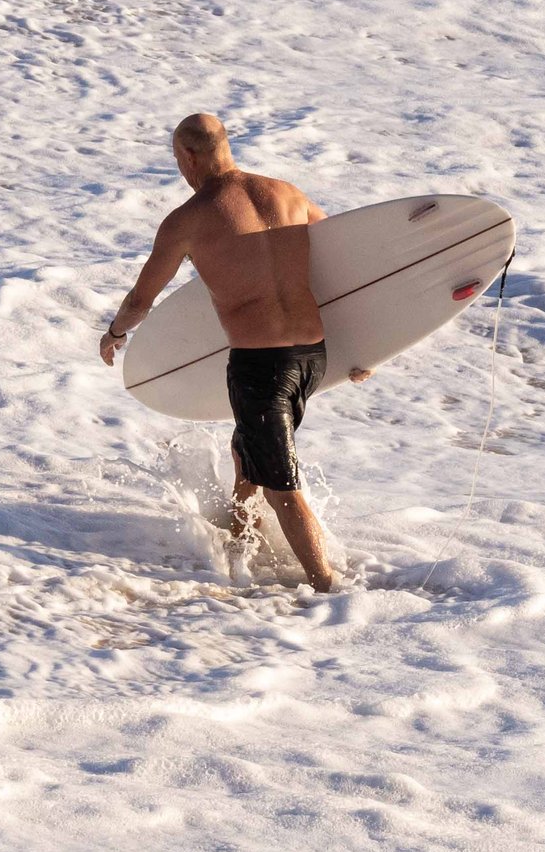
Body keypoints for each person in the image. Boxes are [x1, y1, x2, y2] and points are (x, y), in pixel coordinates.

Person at [99, 113, 363, 592]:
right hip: (313, 356)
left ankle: (327, 590)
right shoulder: (287, 193)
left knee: (283, 485)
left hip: (262, 368)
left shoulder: (188, 220)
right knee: (248, 451)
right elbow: (345, 265)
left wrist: (115, 332)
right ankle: (243, 543)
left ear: (189, 156)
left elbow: (142, 300)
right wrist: (363, 349)